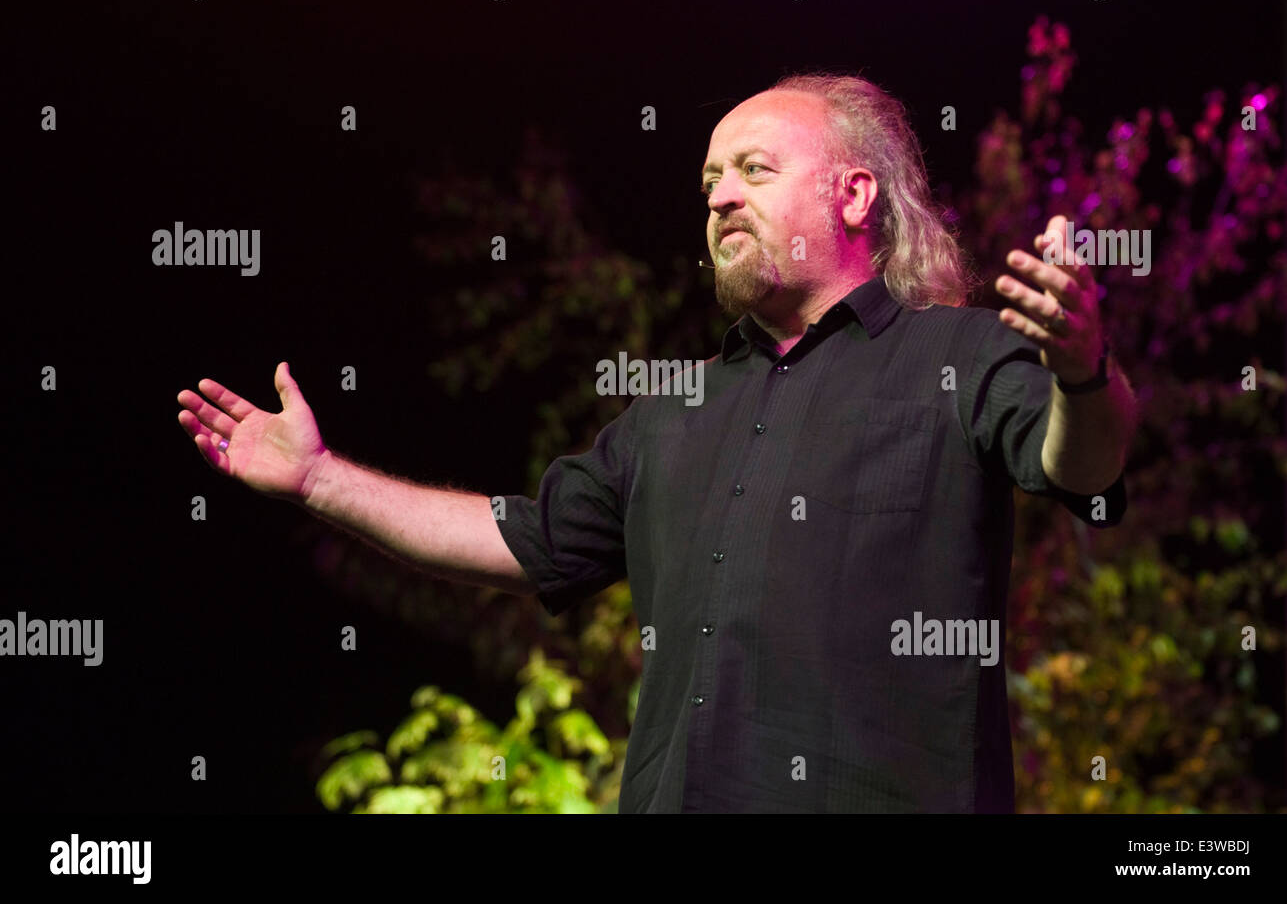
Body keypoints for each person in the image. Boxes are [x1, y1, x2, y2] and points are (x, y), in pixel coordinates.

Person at [177, 72, 1139, 812]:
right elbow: (522, 540)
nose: (720, 196)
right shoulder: (674, 408)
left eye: (755, 170)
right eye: (712, 178)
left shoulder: (960, 354)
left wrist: (1085, 368)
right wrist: (317, 478)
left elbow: (1084, 467)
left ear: (854, 197)